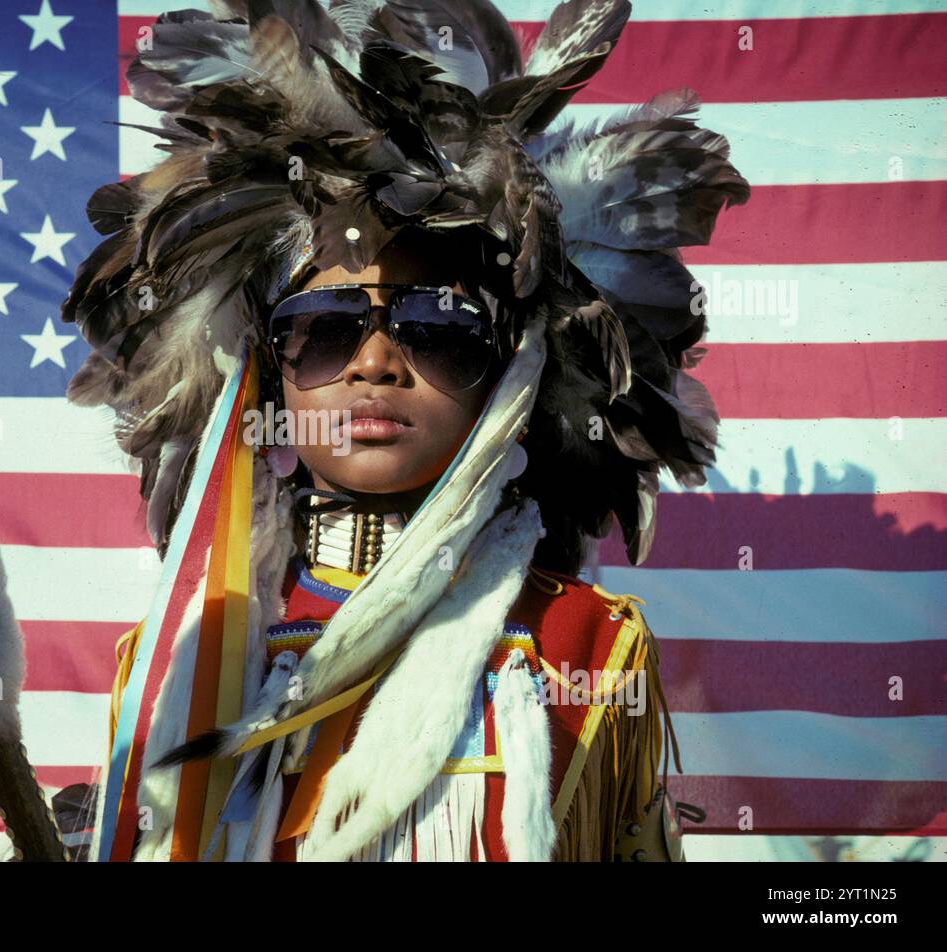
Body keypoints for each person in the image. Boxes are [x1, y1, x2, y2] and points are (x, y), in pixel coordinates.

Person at [63, 0, 746, 862]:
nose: (376, 362)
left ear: (513, 374)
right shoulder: (174, 668)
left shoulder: (583, 648)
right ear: (266, 371)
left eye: (440, 328)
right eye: (326, 327)